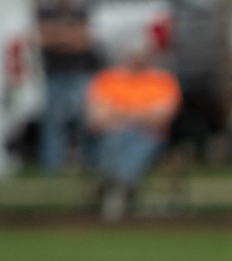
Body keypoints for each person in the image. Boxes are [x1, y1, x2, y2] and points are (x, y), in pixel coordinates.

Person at [85, 42, 181, 221]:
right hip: (113, 134)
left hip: (149, 137)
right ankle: (119, 184)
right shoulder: (107, 79)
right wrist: (141, 114)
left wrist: (119, 113)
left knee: (139, 142)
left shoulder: (162, 80)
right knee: (113, 140)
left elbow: (161, 118)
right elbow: (95, 119)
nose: (136, 58)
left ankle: (116, 184)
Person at [35, 0, 97, 174]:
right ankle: (51, 168)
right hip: (54, 75)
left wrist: (57, 37)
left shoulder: (81, 12)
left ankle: (89, 163)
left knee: (85, 119)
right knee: (53, 122)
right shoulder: (45, 12)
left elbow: (83, 40)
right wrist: (69, 36)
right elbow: (42, 38)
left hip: (80, 73)